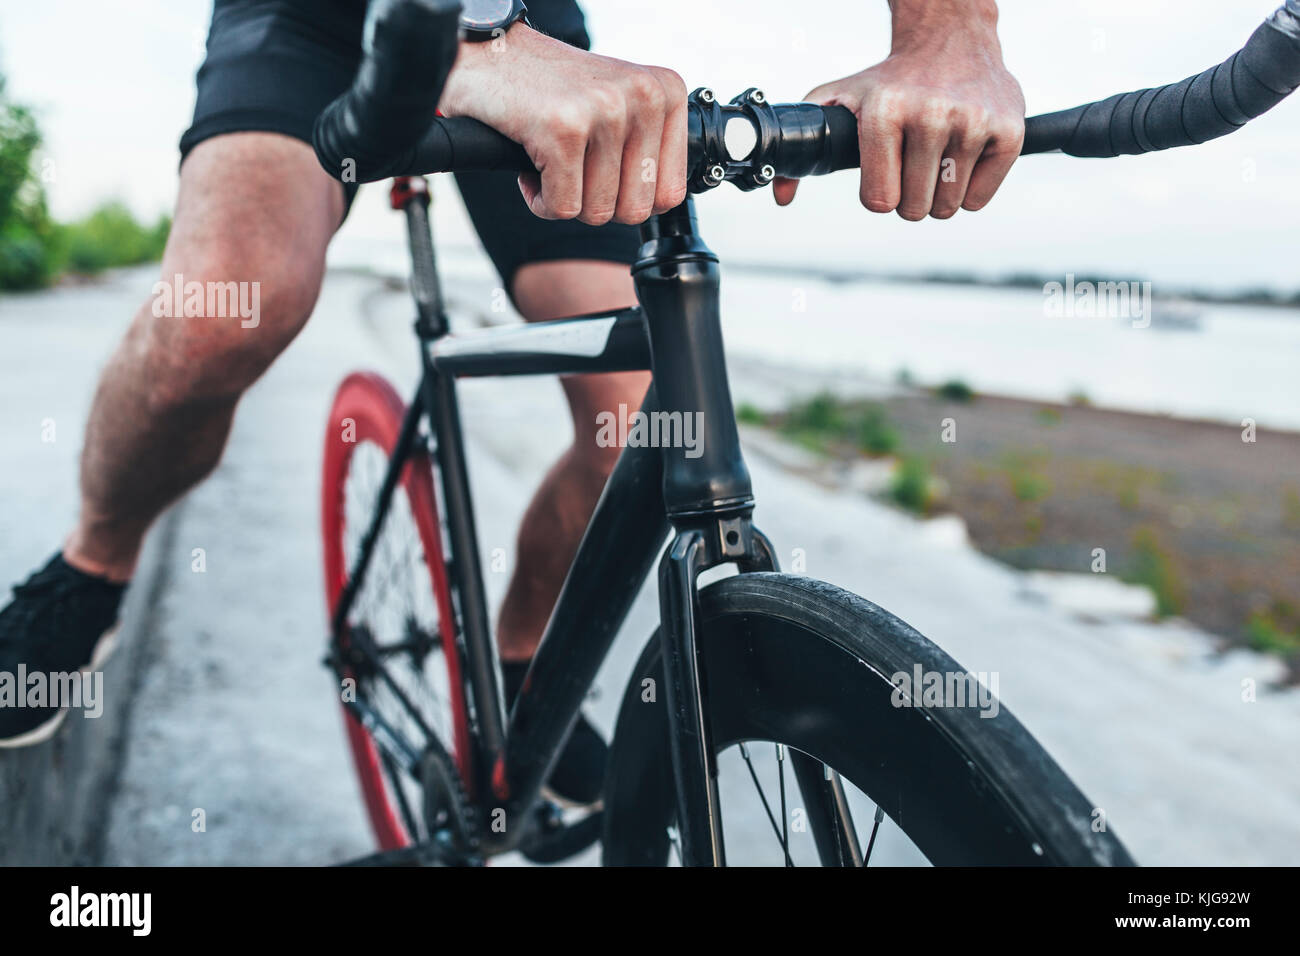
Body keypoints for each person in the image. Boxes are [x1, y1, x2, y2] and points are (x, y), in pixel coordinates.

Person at [0, 0, 1024, 804]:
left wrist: (947, 31)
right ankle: (93, 560)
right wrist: (476, 28)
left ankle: (520, 661)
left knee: (639, 422)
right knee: (220, 316)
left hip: (524, 17)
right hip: (307, 14)